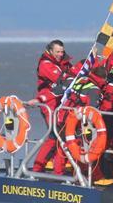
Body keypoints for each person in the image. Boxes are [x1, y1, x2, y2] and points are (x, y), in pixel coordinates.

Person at [29, 40, 71, 173]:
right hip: (49, 104)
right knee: (54, 136)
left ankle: (58, 167)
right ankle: (38, 167)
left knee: (62, 136)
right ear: (50, 51)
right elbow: (63, 79)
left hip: (61, 104)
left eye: (62, 51)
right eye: (57, 51)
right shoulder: (46, 65)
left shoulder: (63, 63)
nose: (60, 54)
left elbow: (71, 76)